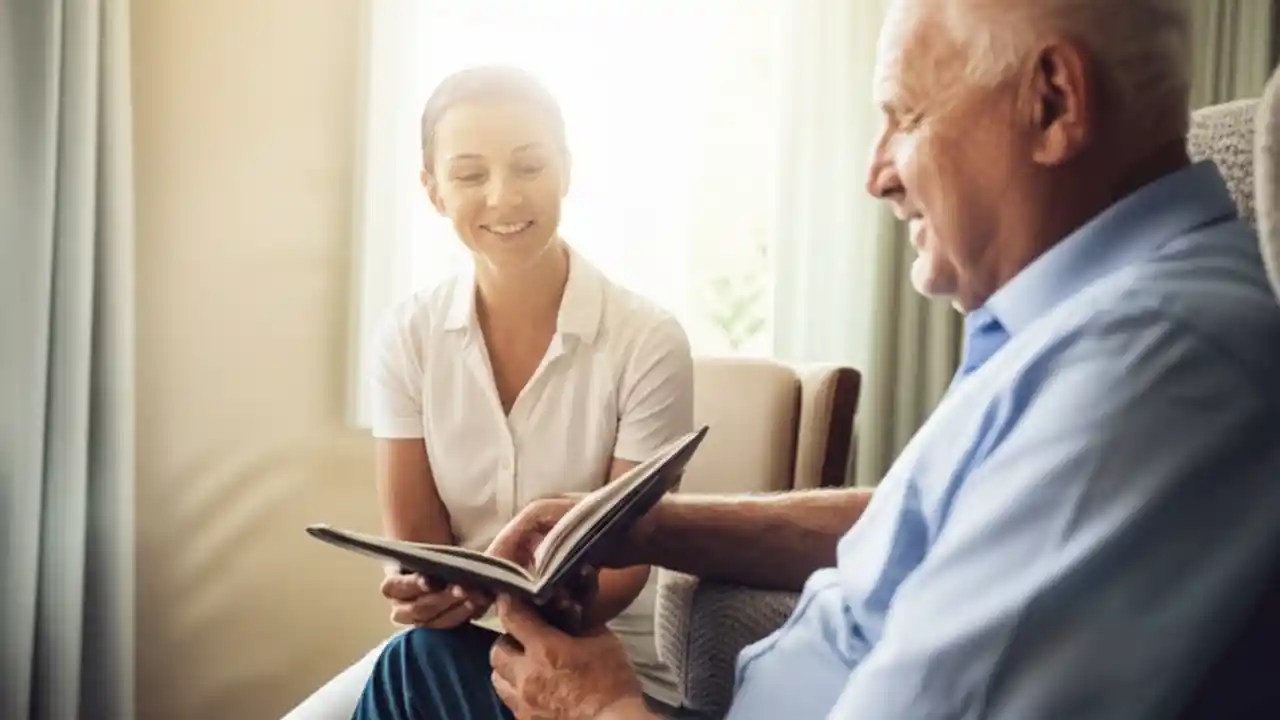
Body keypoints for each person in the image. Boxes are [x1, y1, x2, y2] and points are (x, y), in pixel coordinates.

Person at [356, 0, 1280, 717]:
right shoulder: (1077, 320)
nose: (875, 171)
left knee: (409, 680)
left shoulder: (1149, 364)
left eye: (904, 116)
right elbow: (928, 520)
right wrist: (647, 526)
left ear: (1052, 102)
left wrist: (600, 708)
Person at [285, 66, 693, 719]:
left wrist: (527, 604)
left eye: (529, 167)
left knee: (410, 666)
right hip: (457, 643)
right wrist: (425, 592)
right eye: (471, 175)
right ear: (434, 191)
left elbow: (629, 564)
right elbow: (417, 537)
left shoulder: (648, 340)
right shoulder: (408, 338)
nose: (503, 198)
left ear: (566, 169)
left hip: (610, 657)